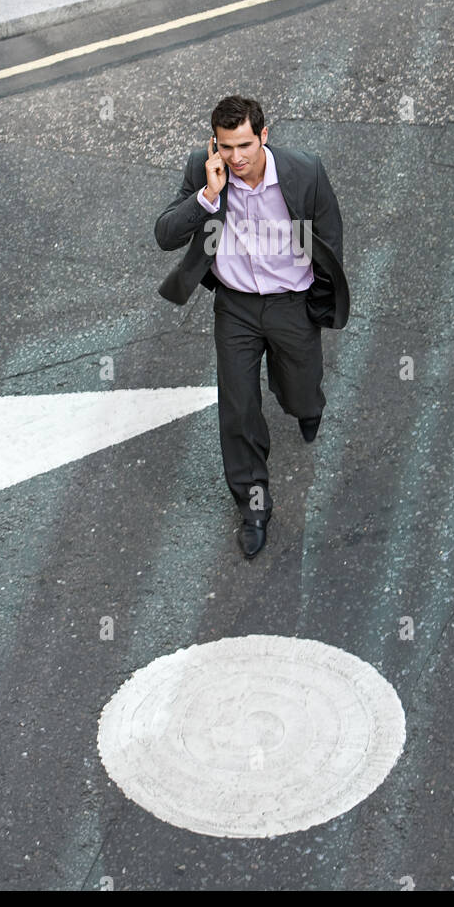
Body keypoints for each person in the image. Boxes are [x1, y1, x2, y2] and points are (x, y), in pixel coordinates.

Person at [154, 95, 350, 559]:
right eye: (225, 147)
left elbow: (329, 237)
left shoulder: (305, 172)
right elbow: (164, 235)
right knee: (239, 408)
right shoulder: (206, 171)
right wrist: (208, 195)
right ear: (213, 144)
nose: (236, 158)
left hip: (290, 303)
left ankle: (303, 405)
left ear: (264, 136)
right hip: (236, 307)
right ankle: (253, 506)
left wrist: (318, 302)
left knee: (300, 389)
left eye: (244, 145)